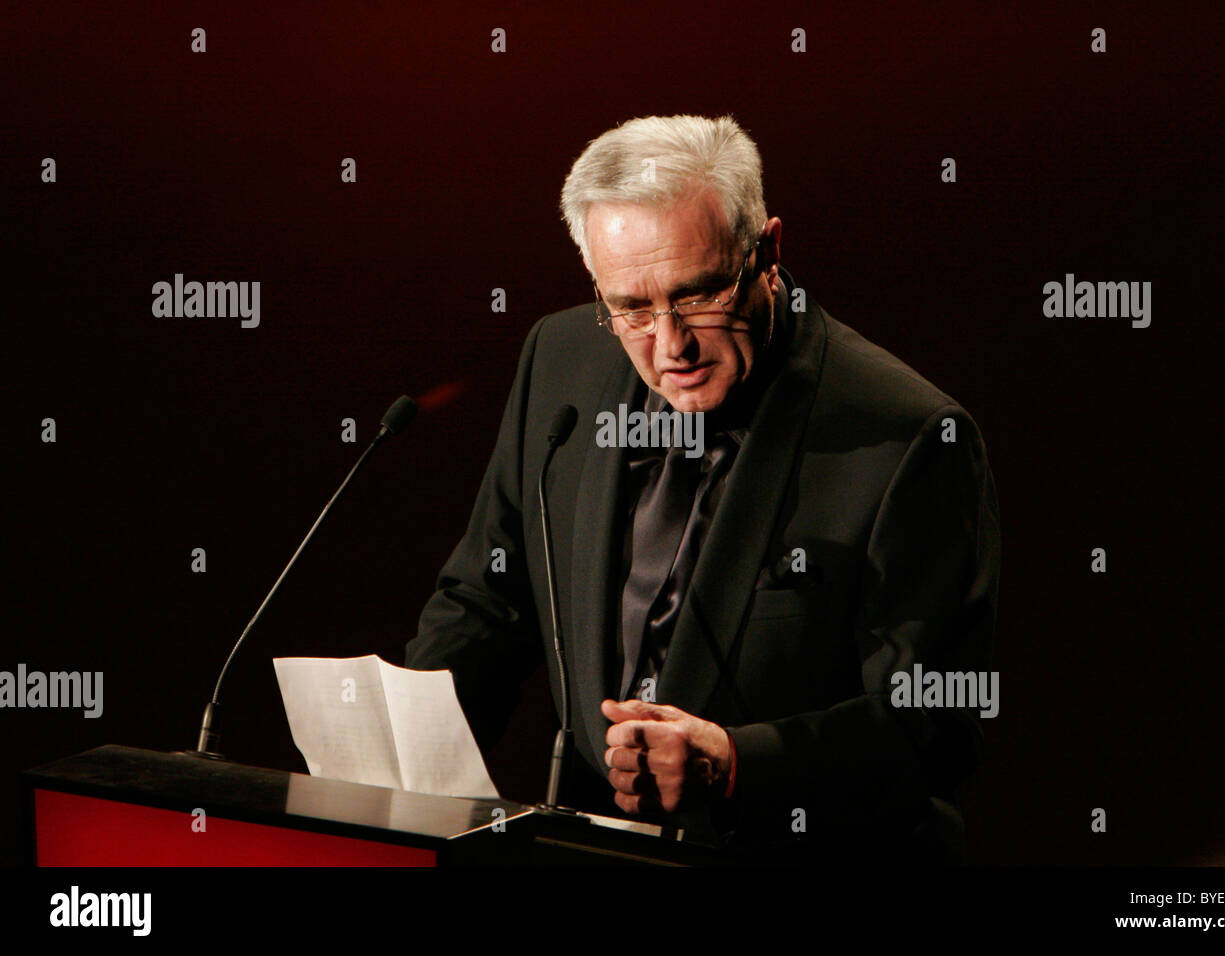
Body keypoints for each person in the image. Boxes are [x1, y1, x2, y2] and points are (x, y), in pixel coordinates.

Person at [406, 114, 1001, 863]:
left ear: (769, 252)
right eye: (630, 307)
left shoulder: (906, 437)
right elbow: (489, 599)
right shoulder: (561, 362)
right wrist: (398, 756)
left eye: (698, 296)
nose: (670, 343)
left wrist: (735, 759)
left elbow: (939, 724)